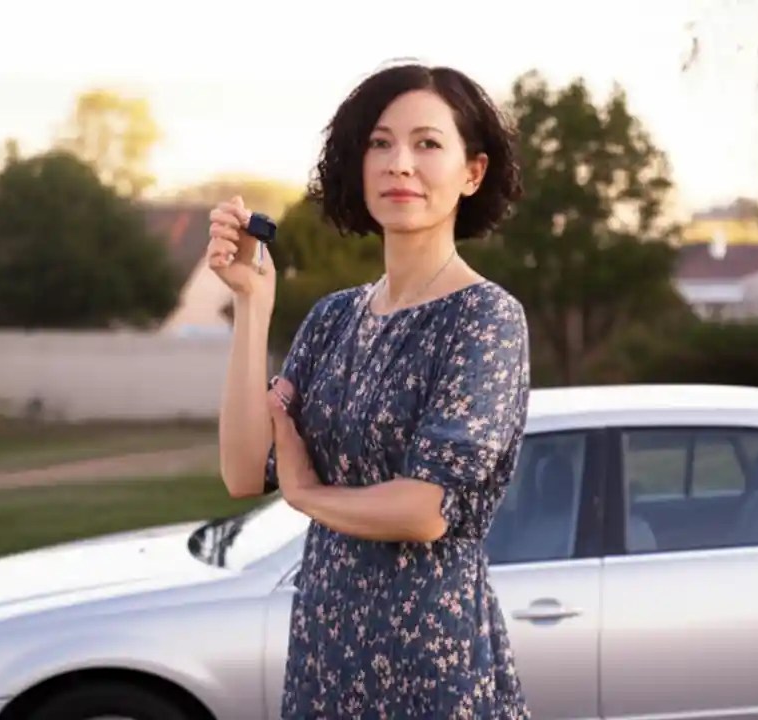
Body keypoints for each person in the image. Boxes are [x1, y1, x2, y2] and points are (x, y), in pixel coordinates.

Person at [206, 61, 531, 719]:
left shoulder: (485, 318)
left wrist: (307, 495)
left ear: (473, 172)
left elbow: (425, 509)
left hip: (429, 660)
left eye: (427, 143)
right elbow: (243, 471)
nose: (398, 163)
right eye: (380, 143)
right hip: (325, 650)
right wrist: (252, 305)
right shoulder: (333, 318)